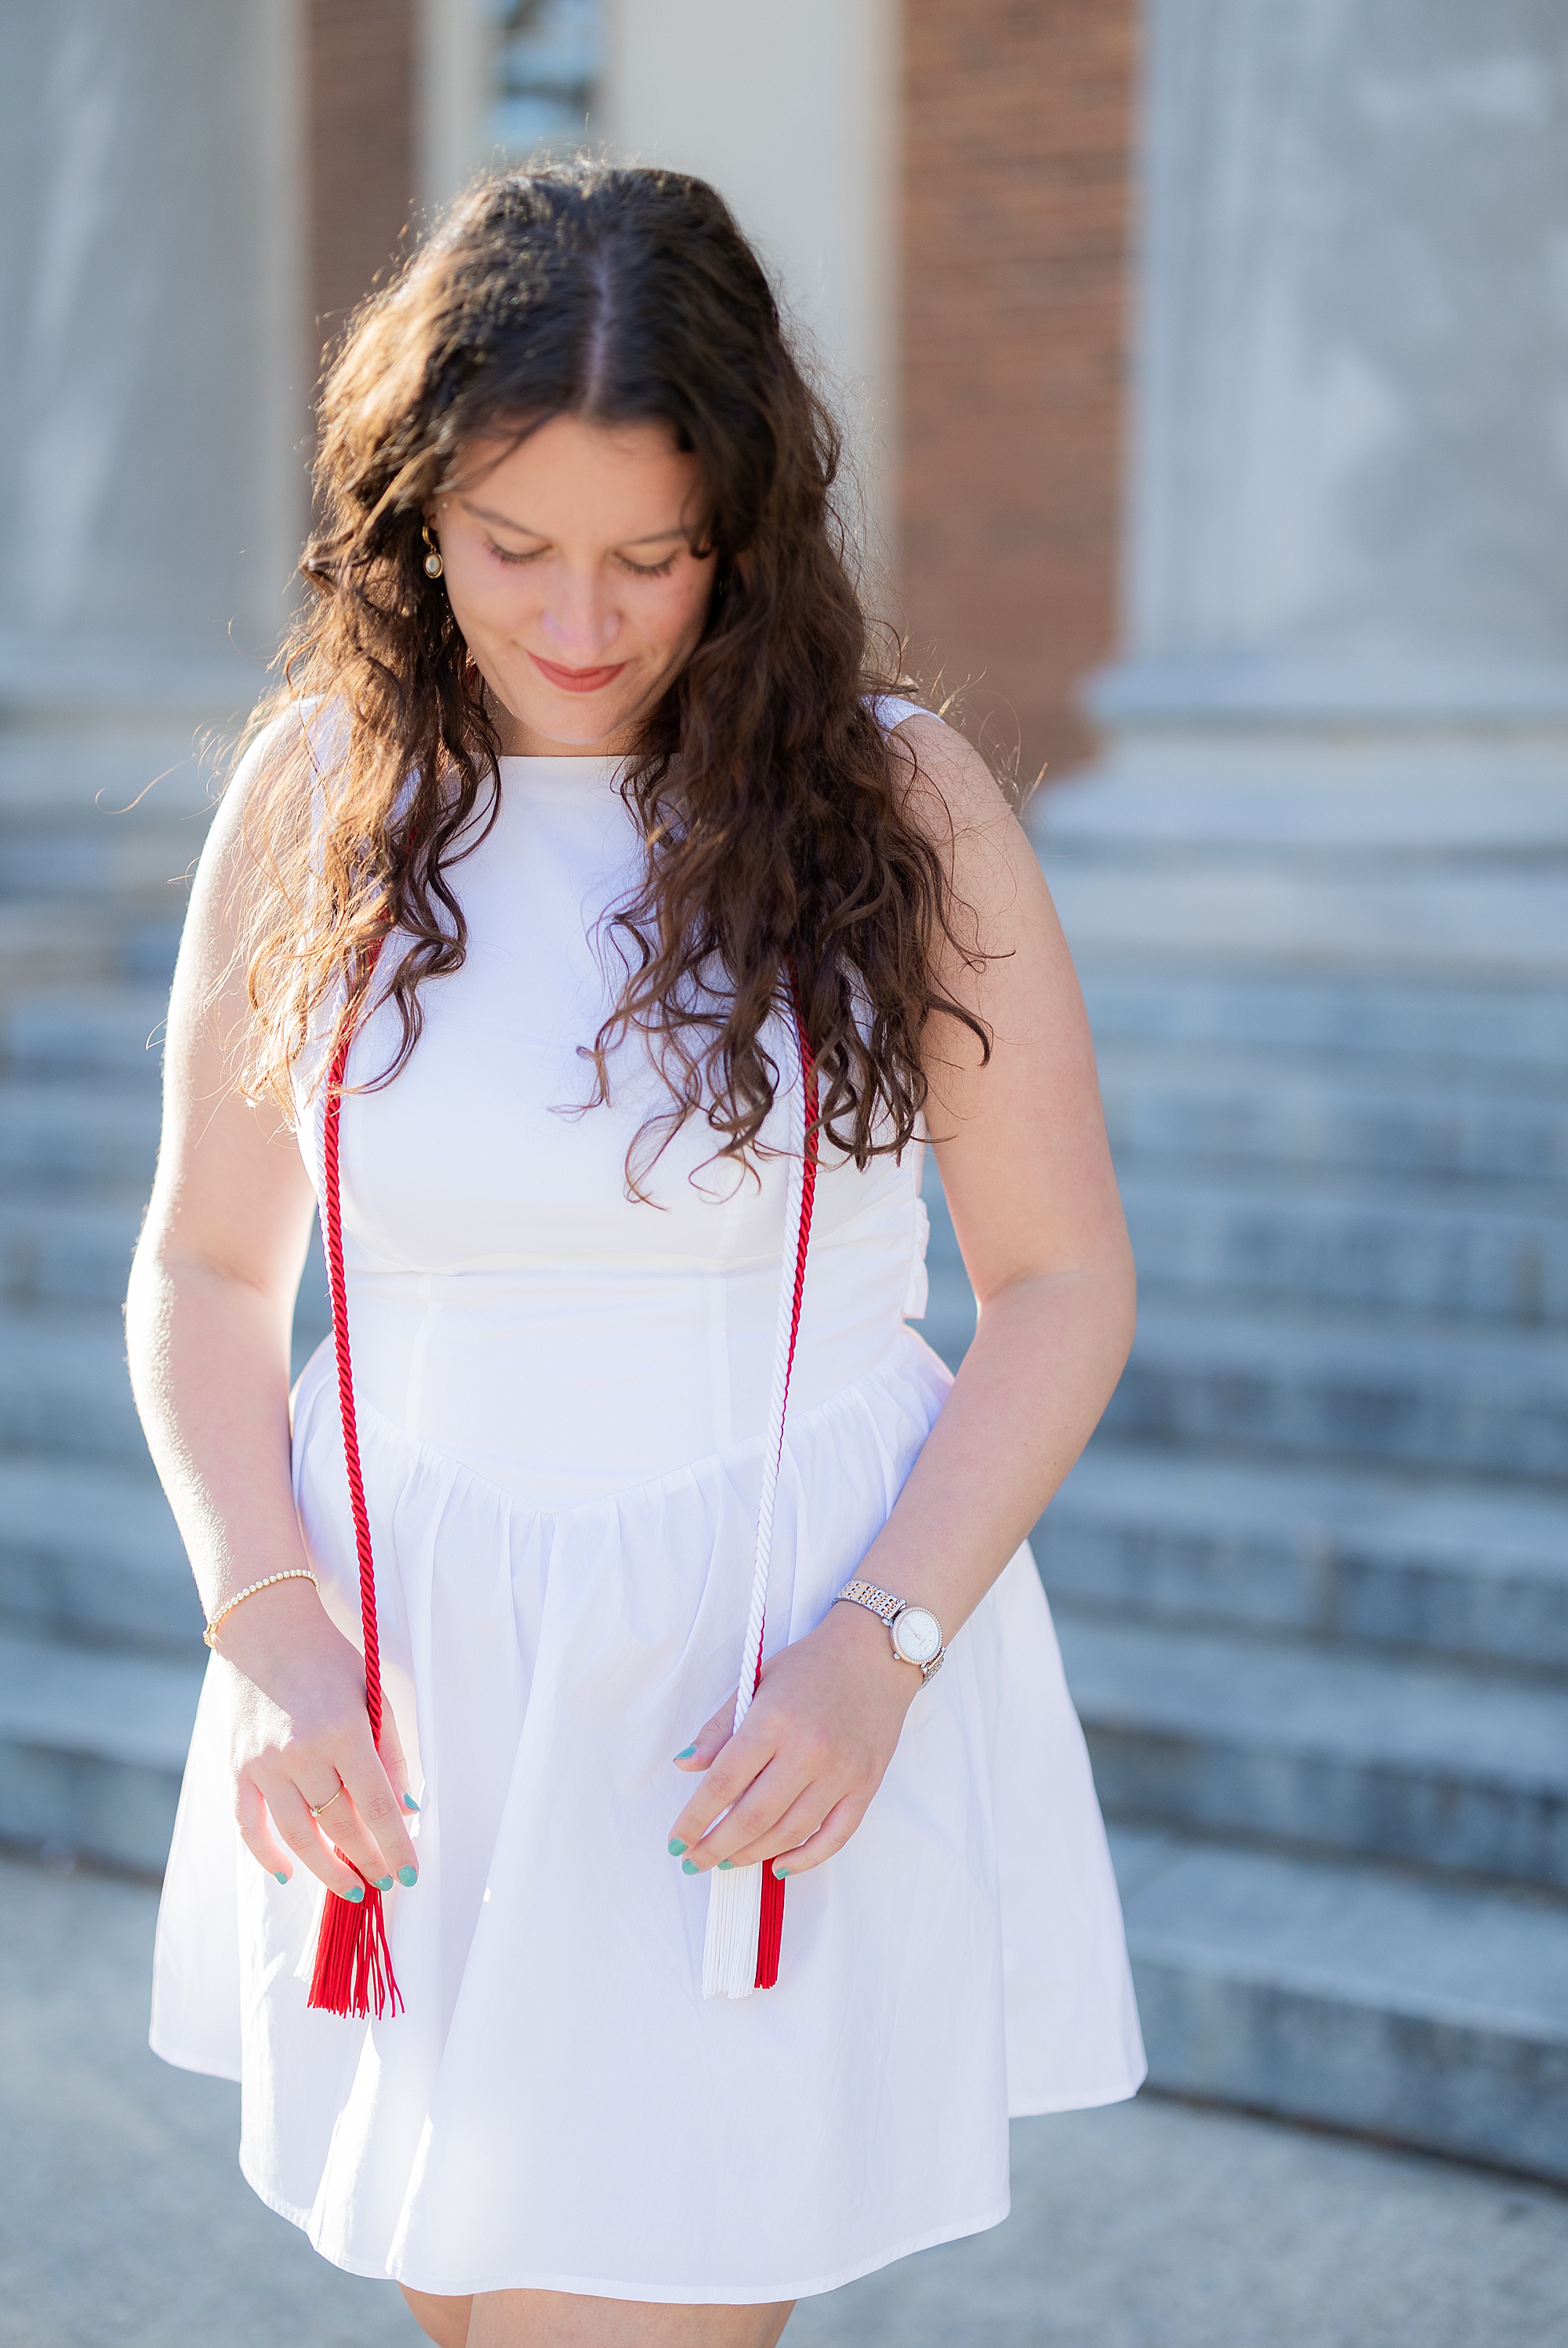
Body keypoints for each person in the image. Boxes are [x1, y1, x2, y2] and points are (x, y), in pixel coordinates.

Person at [129, 162, 1144, 2348]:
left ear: (745, 538)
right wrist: (276, 1637)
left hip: (756, 1685)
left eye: (648, 557)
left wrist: (883, 1648)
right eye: (512, 550)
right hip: (404, 1695)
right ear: (413, 514)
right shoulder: (320, 793)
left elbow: (1060, 1281)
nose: (579, 618)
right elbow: (210, 1273)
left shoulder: (899, 803)